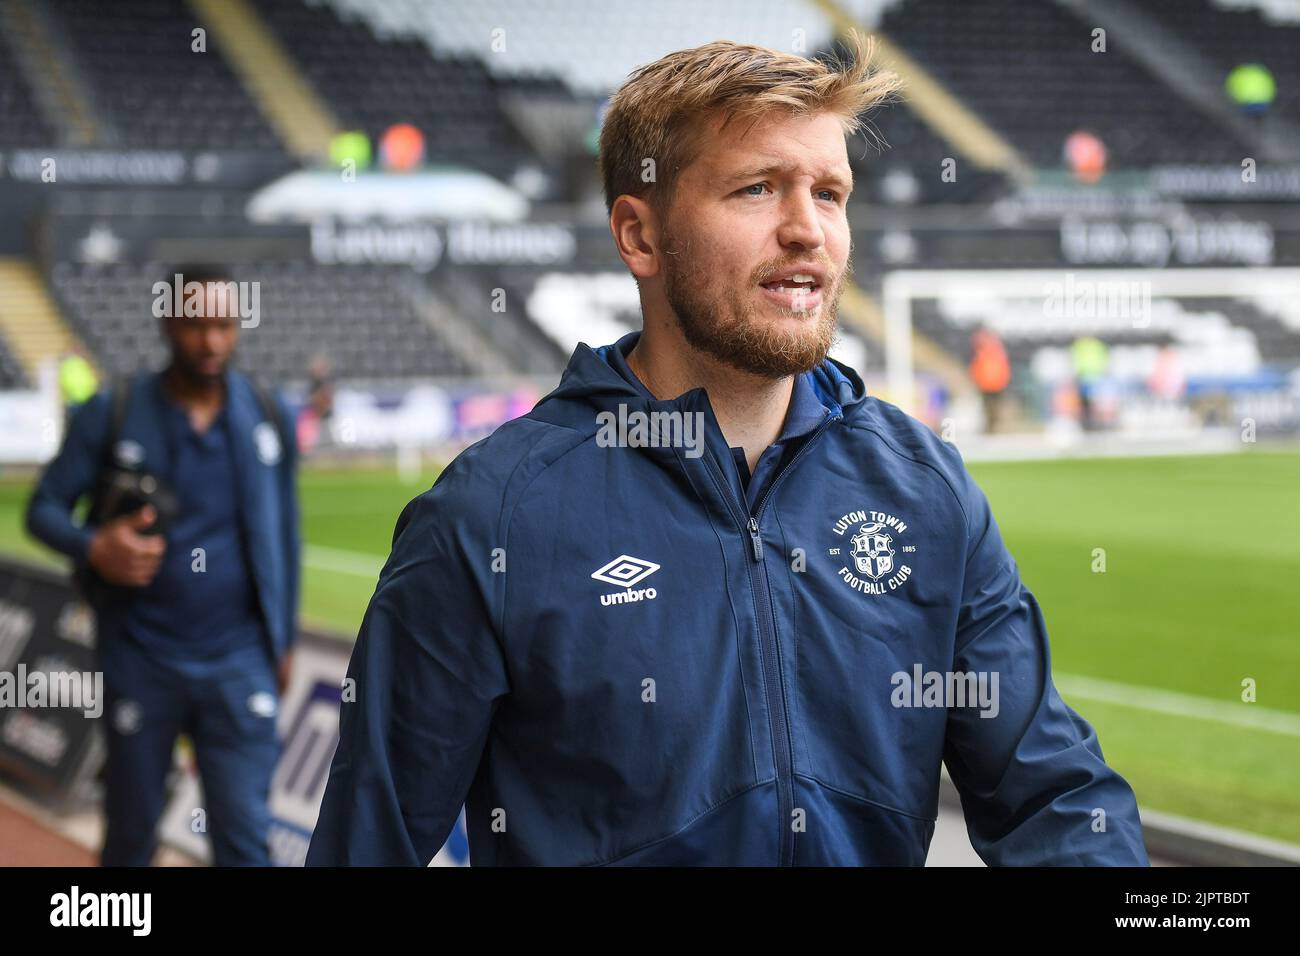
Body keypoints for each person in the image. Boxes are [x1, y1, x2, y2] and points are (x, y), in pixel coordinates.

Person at [306, 33, 1148, 867]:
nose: (807, 231)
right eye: (757, 189)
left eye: (830, 192)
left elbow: (1055, 799)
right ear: (639, 237)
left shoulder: (925, 490)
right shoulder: (491, 517)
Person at [25, 265, 300, 866]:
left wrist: (282, 640)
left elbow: (286, 532)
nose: (211, 342)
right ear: (167, 323)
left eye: (225, 325)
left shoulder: (268, 415)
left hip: (240, 662)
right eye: (197, 324)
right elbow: (42, 508)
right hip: (141, 659)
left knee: (246, 842)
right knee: (130, 837)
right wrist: (94, 545)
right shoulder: (113, 411)